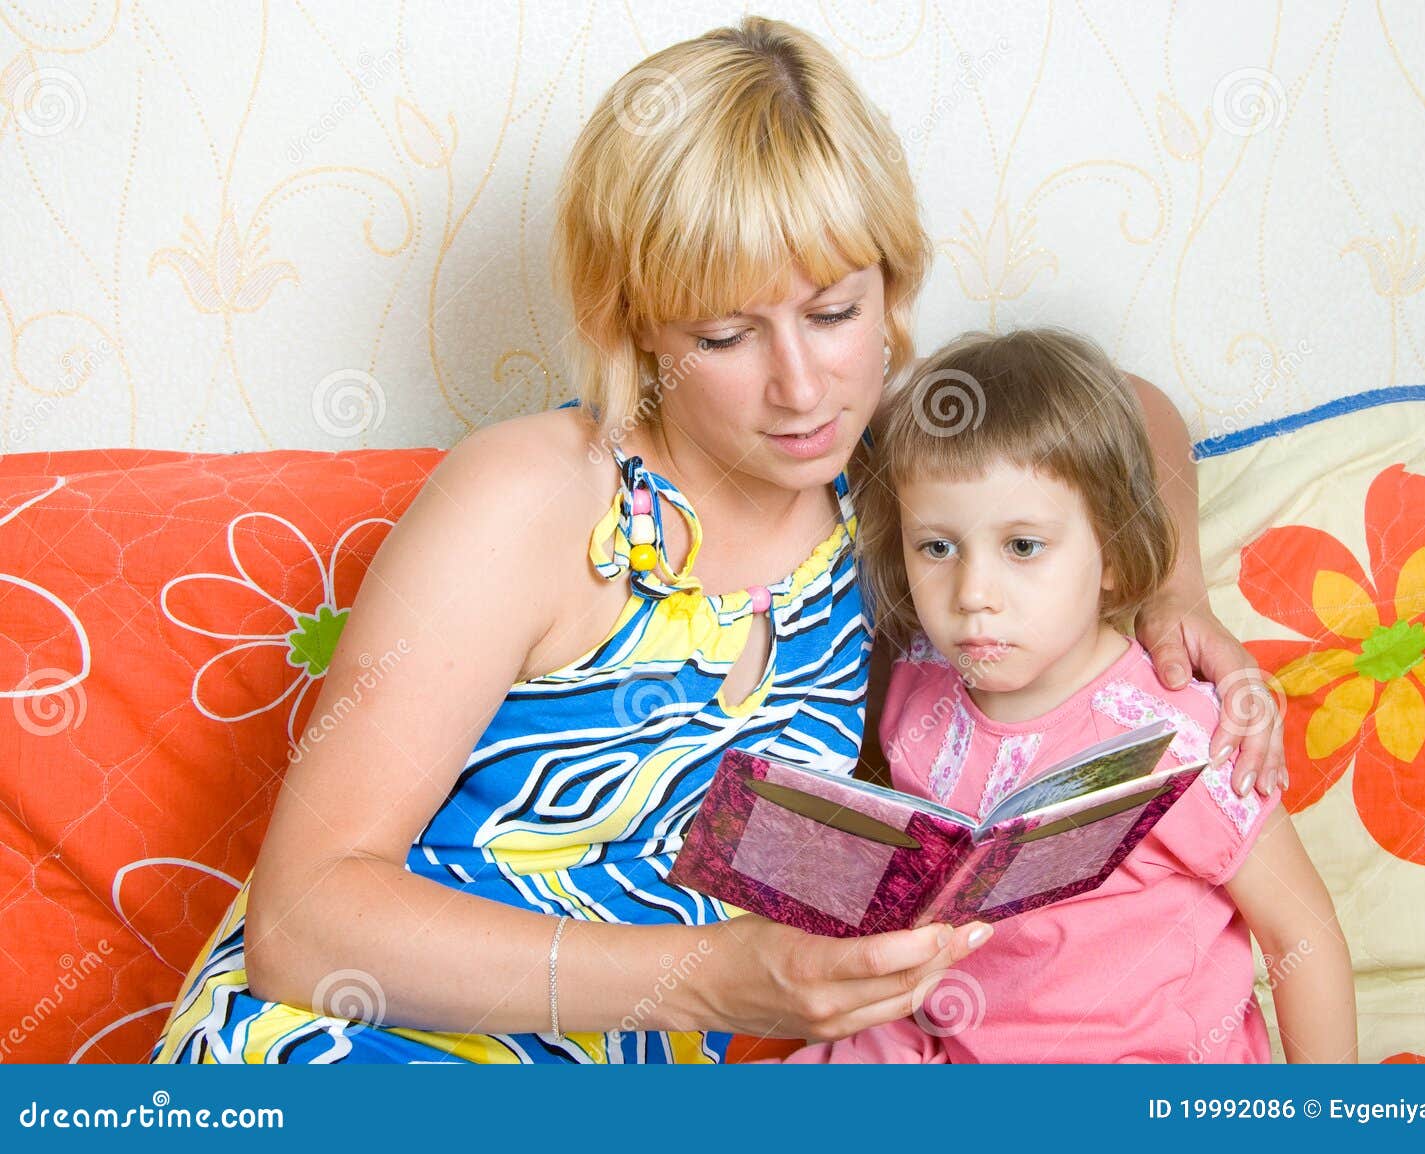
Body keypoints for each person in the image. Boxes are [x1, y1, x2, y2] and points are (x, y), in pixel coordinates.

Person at [151, 16, 1286, 1065]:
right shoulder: (534, 495)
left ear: (890, 284)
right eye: (726, 332)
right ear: (639, 325)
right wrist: (701, 982)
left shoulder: (889, 479)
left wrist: (1175, 587)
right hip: (344, 1058)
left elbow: (1129, 407)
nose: (800, 388)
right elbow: (301, 925)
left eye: (837, 313)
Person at [777, 329, 1356, 1063]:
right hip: (939, 1036)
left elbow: (1301, 933)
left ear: (1112, 553)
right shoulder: (917, 684)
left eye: (1023, 547)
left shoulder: (1178, 738)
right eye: (937, 547)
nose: (973, 594)